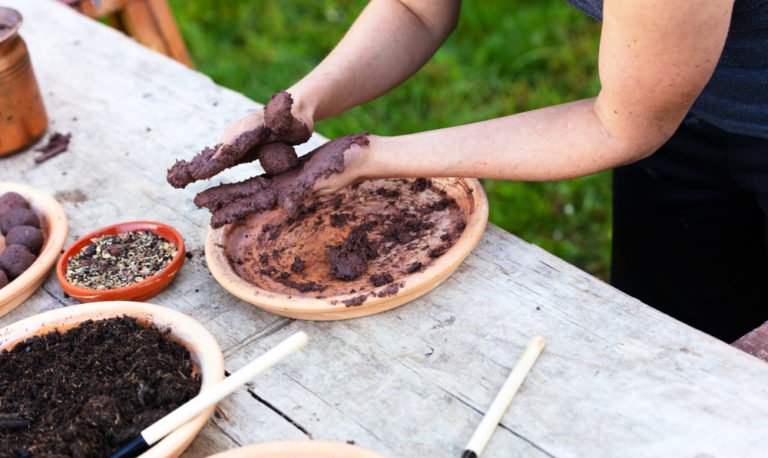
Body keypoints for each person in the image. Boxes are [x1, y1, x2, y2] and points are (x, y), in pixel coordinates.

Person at [180, 0, 768, 342]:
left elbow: (622, 126)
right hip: (675, 96)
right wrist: (300, 105)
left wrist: (370, 157)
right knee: (672, 335)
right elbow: (416, 9)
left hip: (677, 106)